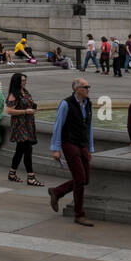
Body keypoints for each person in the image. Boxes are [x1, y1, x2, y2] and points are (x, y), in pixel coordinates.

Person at [49, 78, 96, 226]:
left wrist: (90, 148)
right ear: (77, 89)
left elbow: (89, 127)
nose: (88, 89)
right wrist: (56, 149)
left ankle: (57, 192)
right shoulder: (66, 103)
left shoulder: (88, 104)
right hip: (69, 143)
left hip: (82, 144)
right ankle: (79, 214)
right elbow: (58, 126)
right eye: (86, 87)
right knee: (80, 178)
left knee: (85, 179)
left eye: (89, 86)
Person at [6, 73, 42, 185]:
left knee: (20, 151)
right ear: (17, 81)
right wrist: (25, 111)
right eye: (22, 80)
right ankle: (31, 177)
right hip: (20, 126)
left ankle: (12, 174)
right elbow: (9, 111)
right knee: (28, 149)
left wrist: (34, 107)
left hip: (28, 124)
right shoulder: (14, 94)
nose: (25, 82)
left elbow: (28, 103)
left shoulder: (25, 91)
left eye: (25, 80)